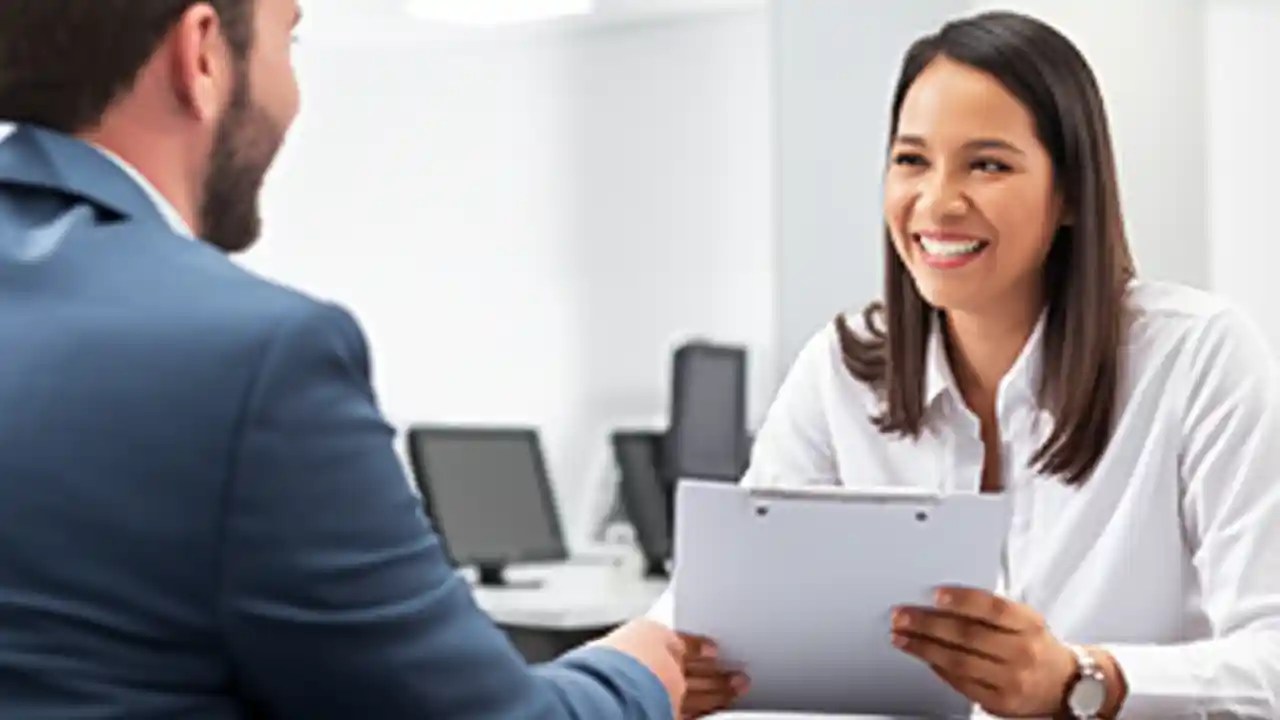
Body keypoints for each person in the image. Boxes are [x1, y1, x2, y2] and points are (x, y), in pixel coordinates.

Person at [0, 1, 740, 717]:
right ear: (201, 56)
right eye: (290, 41)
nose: (292, 96)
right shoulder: (253, 358)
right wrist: (644, 669)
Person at [671, 10, 1280, 719]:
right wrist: (689, 667)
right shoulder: (839, 370)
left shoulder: (1196, 357)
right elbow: (730, 608)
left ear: (1071, 194)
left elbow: (1272, 655)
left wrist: (1084, 680)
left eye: (987, 164)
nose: (937, 202)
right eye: (911, 160)